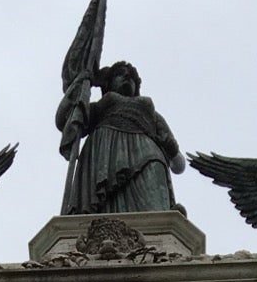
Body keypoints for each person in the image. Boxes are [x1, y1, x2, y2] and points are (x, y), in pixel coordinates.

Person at [58, 63, 185, 216]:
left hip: (146, 152)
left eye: (132, 77)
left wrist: (171, 148)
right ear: (108, 84)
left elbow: (179, 165)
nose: (127, 77)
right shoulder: (103, 105)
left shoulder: (148, 110)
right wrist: (80, 83)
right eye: (120, 74)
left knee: (155, 202)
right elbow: (65, 120)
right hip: (104, 152)